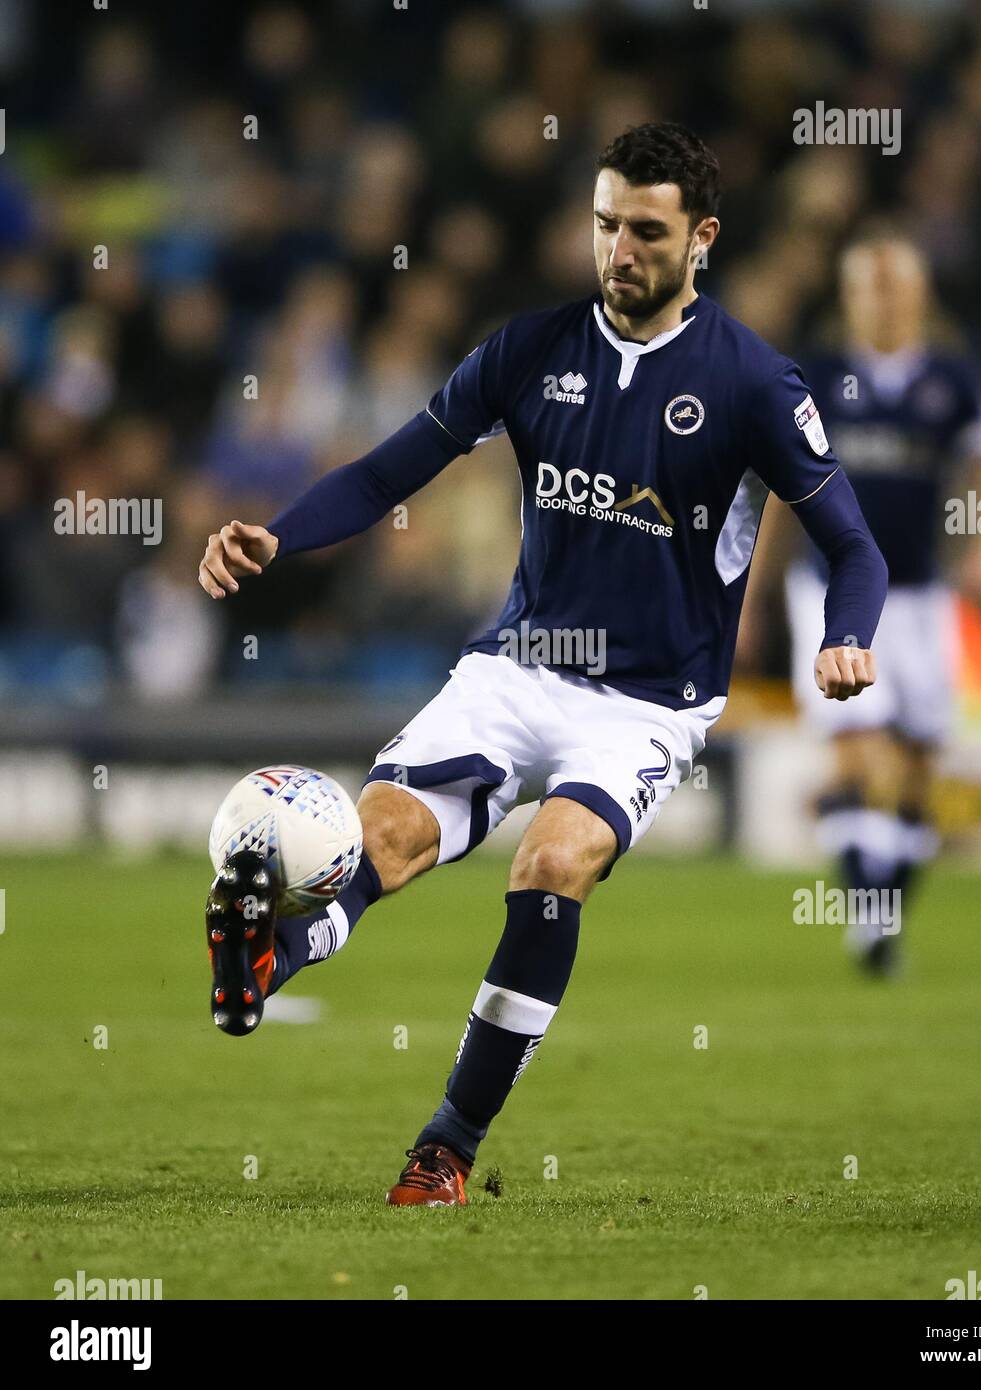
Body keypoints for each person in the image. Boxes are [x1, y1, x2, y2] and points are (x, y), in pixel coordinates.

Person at [198, 123, 888, 1205]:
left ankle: (446, 1145)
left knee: (552, 860)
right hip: (517, 667)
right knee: (383, 833)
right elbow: (387, 473)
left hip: (647, 703)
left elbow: (854, 546)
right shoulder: (528, 350)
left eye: (646, 231)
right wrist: (277, 537)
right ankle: (266, 958)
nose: (620, 249)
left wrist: (847, 635)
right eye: (606, 224)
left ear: (701, 239)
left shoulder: (754, 382)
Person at [753, 227, 981, 974]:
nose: (882, 299)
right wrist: (752, 591)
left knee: (917, 768)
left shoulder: (954, 379)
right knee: (858, 754)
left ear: (919, 293)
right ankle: (869, 917)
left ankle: (881, 916)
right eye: (868, 287)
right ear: (848, 297)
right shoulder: (816, 376)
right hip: (832, 590)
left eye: (894, 285)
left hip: (920, 594)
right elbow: (782, 490)